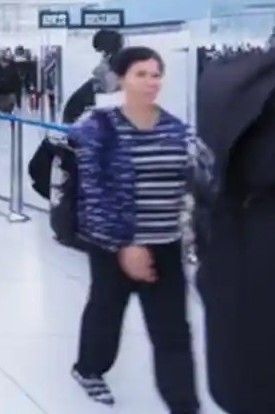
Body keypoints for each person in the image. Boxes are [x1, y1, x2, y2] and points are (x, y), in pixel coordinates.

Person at [68, 46, 199, 413]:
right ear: (122, 79)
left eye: (156, 75)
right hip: (113, 245)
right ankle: (89, 368)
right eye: (141, 74)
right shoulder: (100, 128)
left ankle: (184, 404)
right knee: (107, 309)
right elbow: (95, 193)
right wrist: (126, 245)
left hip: (165, 243)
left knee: (173, 329)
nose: (150, 82)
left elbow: (190, 183)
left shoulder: (175, 129)